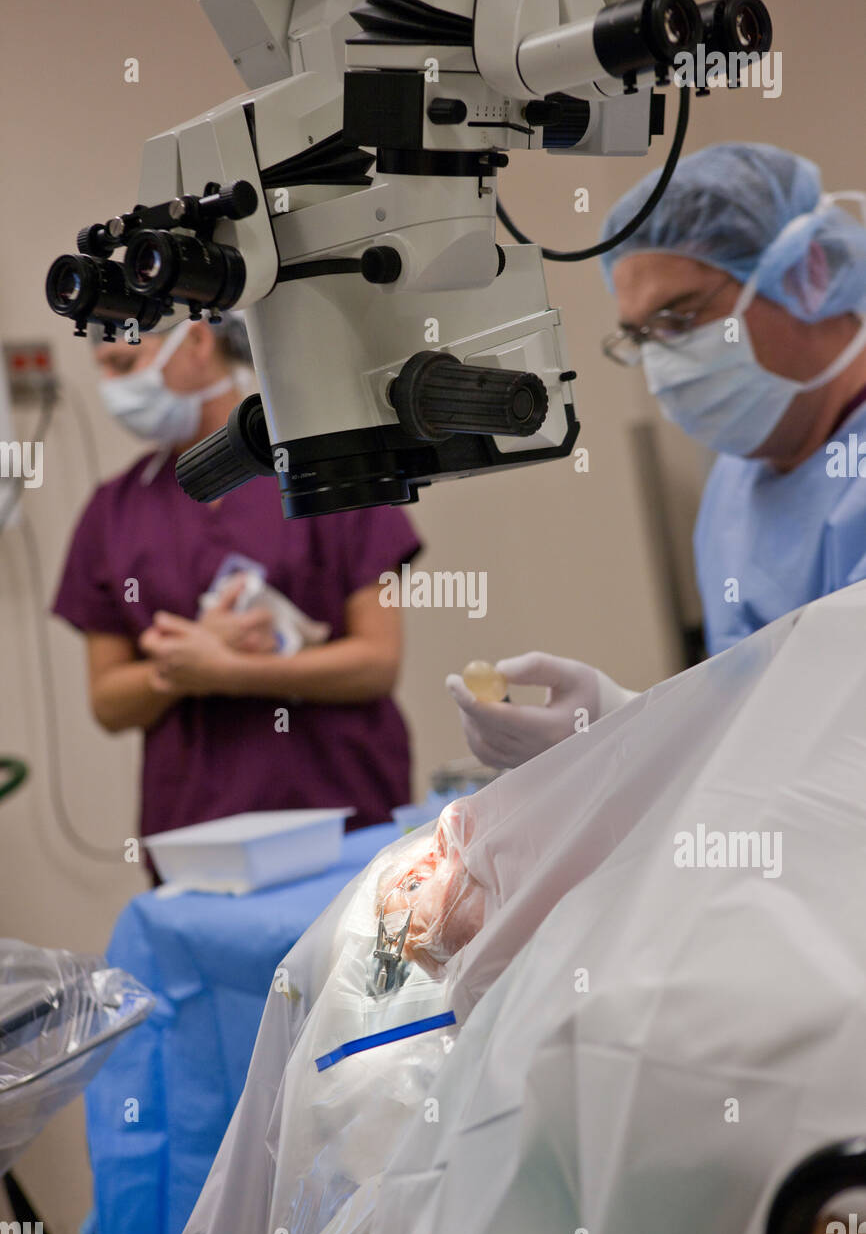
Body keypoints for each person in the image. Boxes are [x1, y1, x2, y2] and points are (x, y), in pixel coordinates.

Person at [448, 143, 866, 769]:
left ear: (805, 274)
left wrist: (642, 740)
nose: (662, 362)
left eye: (679, 317)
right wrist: (628, 722)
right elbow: (759, 721)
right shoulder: (734, 486)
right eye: (640, 336)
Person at [52, 313, 421, 879]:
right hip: (195, 837)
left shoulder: (326, 470)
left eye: (125, 365)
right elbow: (108, 701)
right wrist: (180, 666)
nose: (114, 391)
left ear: (197, 340)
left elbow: (376, 663)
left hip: (343, 820)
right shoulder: (113, 512)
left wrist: (224, 669)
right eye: (103, 371)